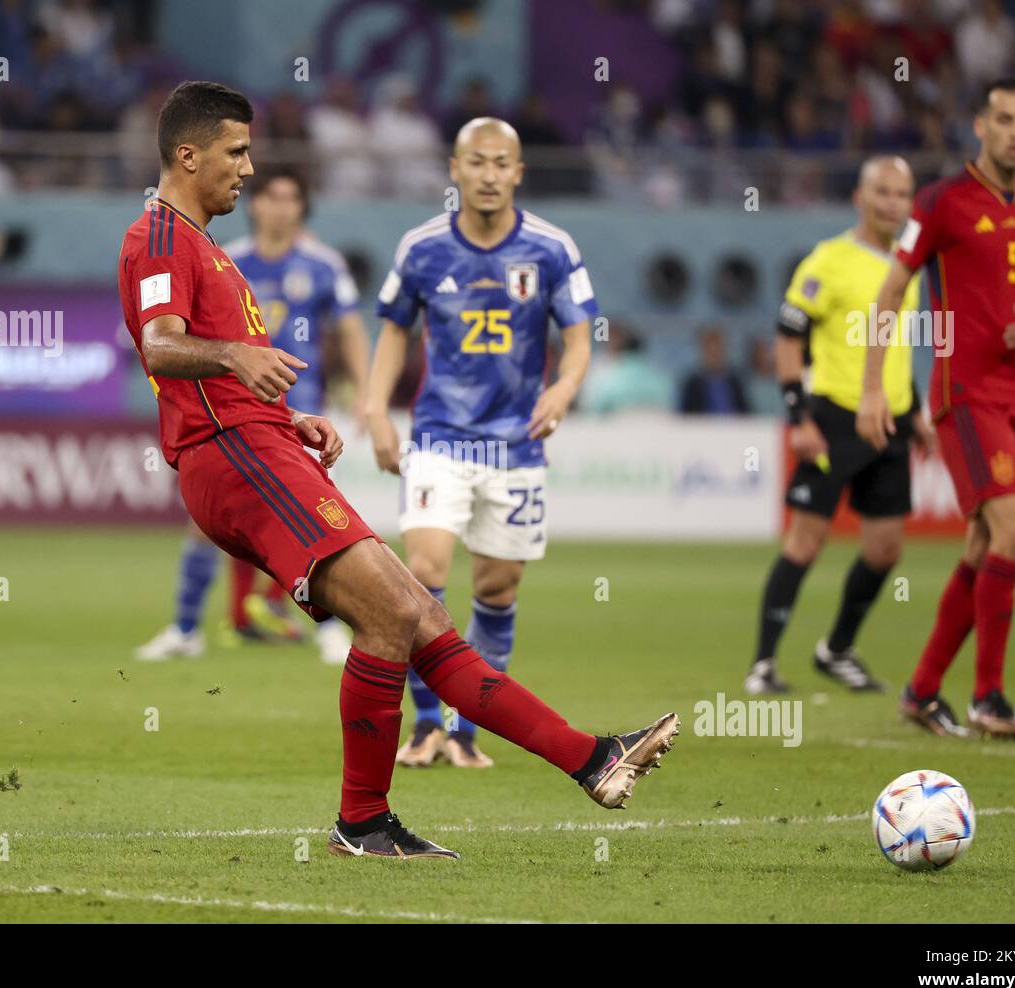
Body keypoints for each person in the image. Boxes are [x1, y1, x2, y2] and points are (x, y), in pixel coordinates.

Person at [116, 81, 679, 860]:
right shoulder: (161, 237)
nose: (248, 168)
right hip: (234, 460)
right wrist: (239, 358)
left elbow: (204, 362)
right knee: (391, 617)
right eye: (237, 152)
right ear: (188, 154)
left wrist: (288, 416)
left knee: (421, 616)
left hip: (260, 445)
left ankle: (592, 759)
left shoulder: (203, 245)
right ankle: (363, 820)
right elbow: (160, 345)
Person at [366, 117, 595, 770]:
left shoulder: (551, 249)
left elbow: (579, 337)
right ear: (454, 169)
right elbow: (393, 330)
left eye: (502, 164)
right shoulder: (422, 248)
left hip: (516, 446)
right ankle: (427, 723)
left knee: (496, 591)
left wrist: (565, 387)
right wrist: (375, 408)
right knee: (424, 577)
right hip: (440, 440)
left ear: (519, 173)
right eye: (477, 162)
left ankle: (468, 728)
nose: (490, 175)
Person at [858, 78, 1015, 740]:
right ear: (979, 125)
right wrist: (873, 387)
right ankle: (989, 697)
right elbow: (889, 293)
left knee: (985, 541)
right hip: (965, 394)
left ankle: (920, 691)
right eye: (1003, 119)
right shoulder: (940, 202)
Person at [134, 167, 368, 665]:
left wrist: (366, 391)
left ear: (302, 208)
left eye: (292, 198)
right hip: (236, 412)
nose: (281, 207)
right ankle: (185, 626)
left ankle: (328, 628)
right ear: (257, 205)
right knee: (210, 526)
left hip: (303, 407)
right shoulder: (224, 258)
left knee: (317, 521)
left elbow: (349, 329)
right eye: (273, 197)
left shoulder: (323, 265)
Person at [743, 156, 935, 697]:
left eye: (903, 194)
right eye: (883, 192)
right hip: (833, 419)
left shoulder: (909, 265)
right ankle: (762, 664)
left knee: (885, 550)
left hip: (891, 422)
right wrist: (798, 416)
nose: (893, 203)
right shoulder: (828, 260)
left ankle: (837, 649)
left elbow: (896, 348)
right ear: (860, 196)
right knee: (804, 543)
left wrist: (915, 410)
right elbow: (787, 336)